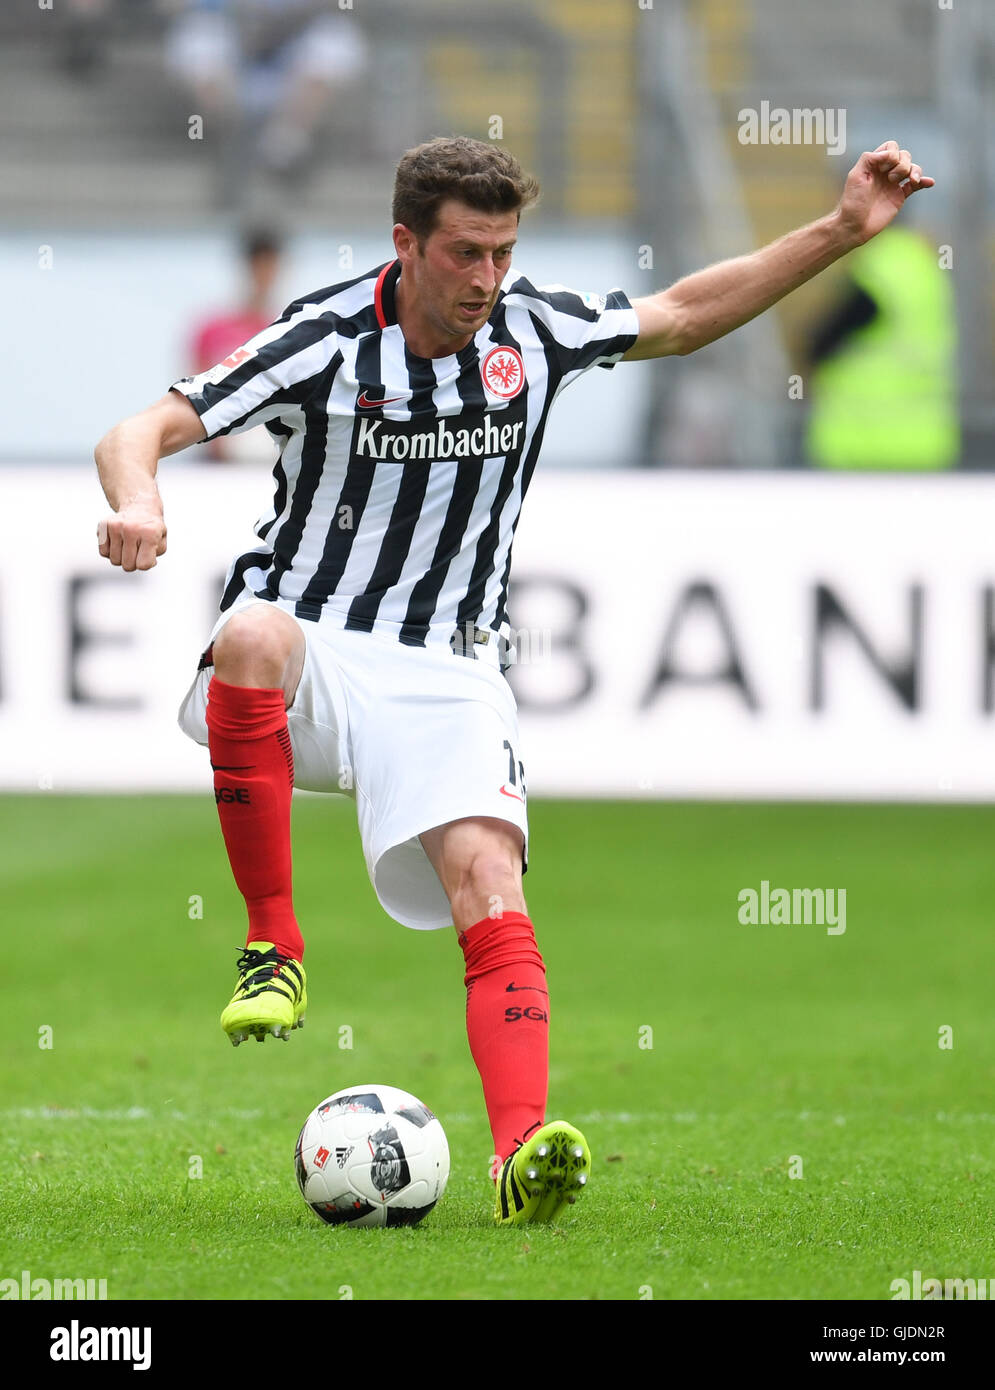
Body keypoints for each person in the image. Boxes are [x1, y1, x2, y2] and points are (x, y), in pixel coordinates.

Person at [94, 135, 933, 1226]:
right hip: (316, 645)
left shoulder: (533, 331)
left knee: (490, 886)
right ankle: (272, 945)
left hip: (448, 665)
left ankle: (518, 1154)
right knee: (248, 632)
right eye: (463, 254)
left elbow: (680, 314)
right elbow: (143, 426)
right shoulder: (324, 338)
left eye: (501, 252)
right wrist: (140, 500)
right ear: (405, 243)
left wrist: (835, 232)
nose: (487, 280)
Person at [188, 227, 284, 462]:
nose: (263, 275)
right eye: (258, 266)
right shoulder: (212, 330)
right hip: (220, 445)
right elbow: (194, 392)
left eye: (269, 267)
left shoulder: (286, 328)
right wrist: (214, 439)